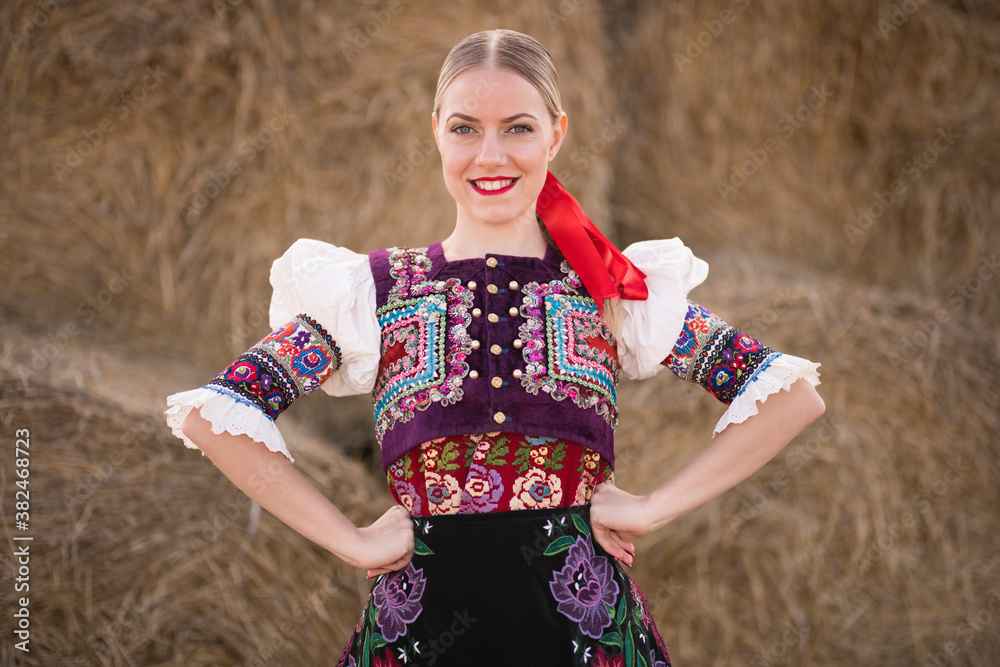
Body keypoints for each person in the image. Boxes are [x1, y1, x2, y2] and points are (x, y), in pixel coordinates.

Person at [165, 29, 824, 667]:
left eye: (518, 128)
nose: (490, 155)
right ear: (435, 132)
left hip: (584, 642)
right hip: (420, 642)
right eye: (465, 128)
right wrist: (350, 540)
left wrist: (654, 508)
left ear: (556, 135)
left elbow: (790, 396)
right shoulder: (376, 292)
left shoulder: (611, 289)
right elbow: (217, 412)